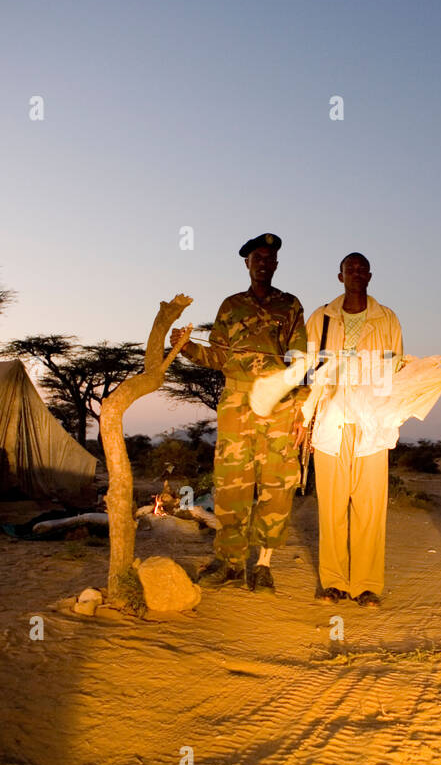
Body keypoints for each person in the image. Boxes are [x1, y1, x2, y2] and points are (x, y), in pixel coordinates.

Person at [172, 232, 309, 594]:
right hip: (236, 404)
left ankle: (263, 565)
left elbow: (300, 361)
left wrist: (300, 406)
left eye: (269, 258)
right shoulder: (231, 306)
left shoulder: (291, 305)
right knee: (232, 486)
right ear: (247, 264)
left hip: (279, 405)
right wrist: (187, 349)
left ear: (276, 264)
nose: (263, 263)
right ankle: (230, 562)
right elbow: (217, 355)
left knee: (277, 487)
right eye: (257, 258)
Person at [302, 252, 403, 608]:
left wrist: (391, 419)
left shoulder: (387, 319)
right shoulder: (322, 318)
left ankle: (367, 585)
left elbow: (394, 373)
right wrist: (304, 421)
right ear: (340, 275)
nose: (356, 273)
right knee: (331, 508)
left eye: (362, 268)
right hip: (330, 422)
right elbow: (310, 373)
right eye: (350, 269)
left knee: (370, 508)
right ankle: (333, 582)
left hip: (372, 425)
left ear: (370, 275)